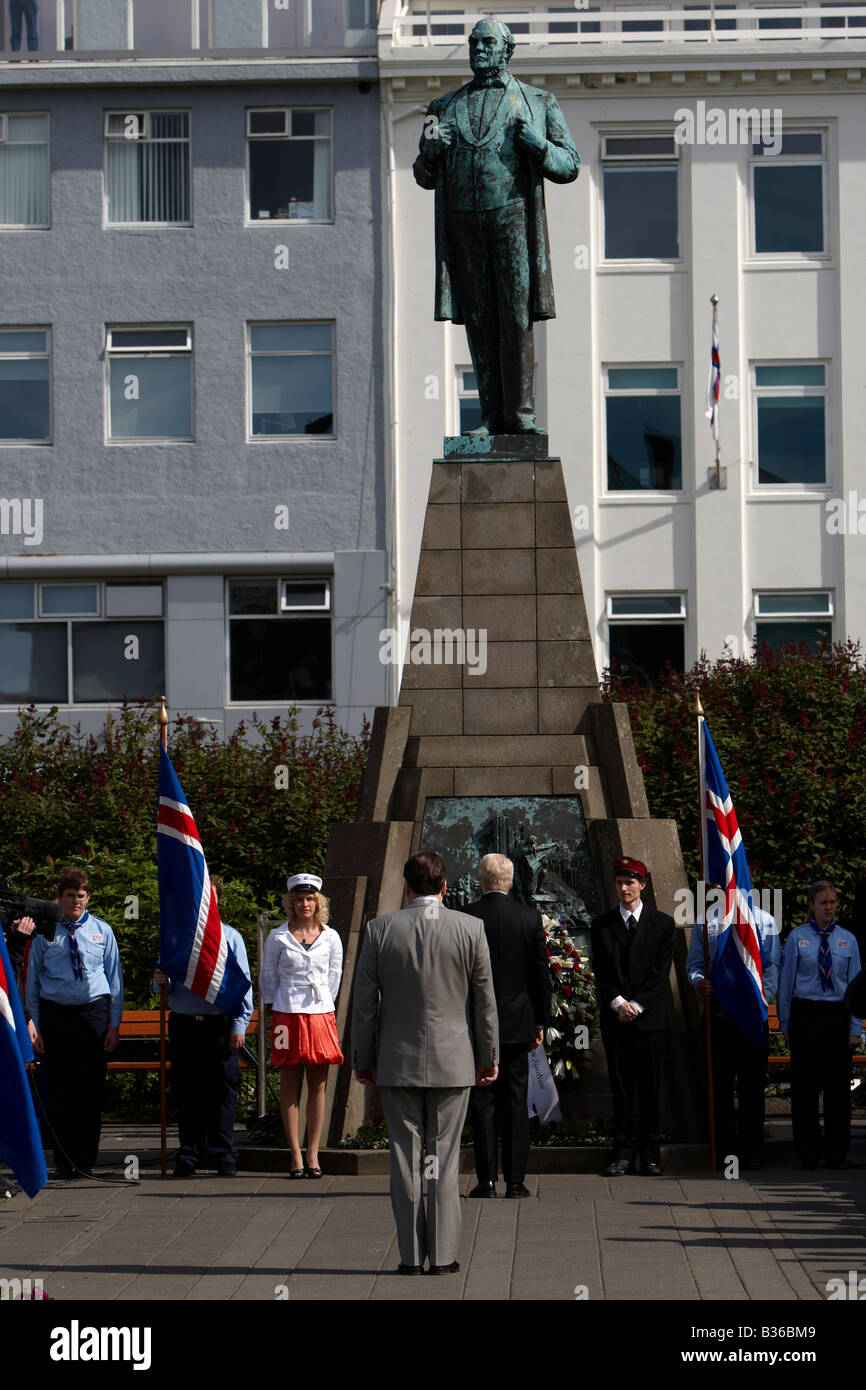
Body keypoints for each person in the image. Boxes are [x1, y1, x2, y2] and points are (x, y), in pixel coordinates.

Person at [413, 17, 579, 436]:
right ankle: (489, 415)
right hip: (463, 223)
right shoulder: (441, 108)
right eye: (473, 42)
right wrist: (432, 153)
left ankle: (520, 414)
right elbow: (422, 174)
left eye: (487, 42)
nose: (478, 48)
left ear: (507, 49)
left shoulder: (538, 101)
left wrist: (540, 146)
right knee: (480, 318)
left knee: (516, 316)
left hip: (511, 217)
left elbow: (570, 165)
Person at [352, 851, 499, 1274]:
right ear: (445, 887)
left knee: (405, 1158)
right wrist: (488, 1056)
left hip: (397, 1062)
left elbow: (365, 1005)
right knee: (444, 1159)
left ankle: (411, 1258)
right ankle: (444, 1255)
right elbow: (484, 1003)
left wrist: (365, 1056)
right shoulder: (471, 928)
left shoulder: (380, 930)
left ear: (407, 886)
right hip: (454, 1062)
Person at [24, 868, 123, 1180]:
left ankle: (85, 1160)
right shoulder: (45, 932)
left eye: (81, 895)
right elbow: (31, 981)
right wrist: (33, 1023)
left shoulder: (102, 931)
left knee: (89, 1091)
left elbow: (114, 979)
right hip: (55, 1017)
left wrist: (114, 1025)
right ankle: (63, 1159)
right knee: (58, 1091)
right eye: (70, 895)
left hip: (92, 1015)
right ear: (59, 897)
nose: (75, 901)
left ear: (88, 897)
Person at [463, 852, 551, 1198]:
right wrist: (540, 1020)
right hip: (518, 1023)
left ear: (480, 881)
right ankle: (516, 1181)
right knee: (515, 1101)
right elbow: (539, 974)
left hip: (475, 1025)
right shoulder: (529, 917)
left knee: (482, 1101)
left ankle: (485, 1181)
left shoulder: (465, 917)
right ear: (511, 881)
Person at [154, 879, 253, 1178]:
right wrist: (161, 980)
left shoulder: (230, 937)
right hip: (185, 1023)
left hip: (219, 1024)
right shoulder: (176, 937)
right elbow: (162, 986)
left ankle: (223, 1154)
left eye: (210, 898)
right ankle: (189, 1154)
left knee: (222, 1093)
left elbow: (243, 986)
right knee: (188, 1092)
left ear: (217, 901)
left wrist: (239, 1025)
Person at [590, 856, 675, 1177]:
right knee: (623, 1088)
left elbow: (659, 973)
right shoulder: (602, 925)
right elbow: (601, 970)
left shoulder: (662, 925)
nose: (624, 888)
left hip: (649, 1020)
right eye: (619, 882)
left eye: (630, 882)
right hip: (617, 1020)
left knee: (651, 1088)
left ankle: (650, 1153)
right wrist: (617, 1003)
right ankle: (623, 1152)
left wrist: (636, 1005)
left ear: (643, 884)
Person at [687, 887, 781, 1170]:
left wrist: (763, 999)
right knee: (721, 1085)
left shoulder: (763, 920)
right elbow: (694, 964)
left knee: (753, 1085)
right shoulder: (706, 921)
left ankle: (752, 1149)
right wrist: (698, 980)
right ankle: (725, 1150)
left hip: (752, 1011)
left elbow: (773, 965)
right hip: (720, 1011)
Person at [259, 872, 343, 1179]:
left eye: (309, 899)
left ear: (318, 902)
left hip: (320, 1013)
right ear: (290, 903)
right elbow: (268, 977)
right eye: (298, 899)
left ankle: (313, 1153)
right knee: (289, 1083)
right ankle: (294, 1154)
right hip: (287, 1012)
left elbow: (335, 977)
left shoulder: (331, 936)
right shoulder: (278, 937)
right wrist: (277, 1005)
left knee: (318, 1085)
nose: (304, 904)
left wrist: (323, 1006)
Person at [778, 880, 862, 1169]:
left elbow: (856, 989)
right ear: (811, 906)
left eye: (833, 902)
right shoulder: (797, 938)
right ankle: (808, 1153)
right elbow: (787, 982)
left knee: (838, 1090)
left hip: (837, 1016)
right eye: (823, 902)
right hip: (806, 1015)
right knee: (805, 1089)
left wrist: (855, 1029)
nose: (829, 908)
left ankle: (837, 1153)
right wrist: (786, 1024)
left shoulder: (848, 940)